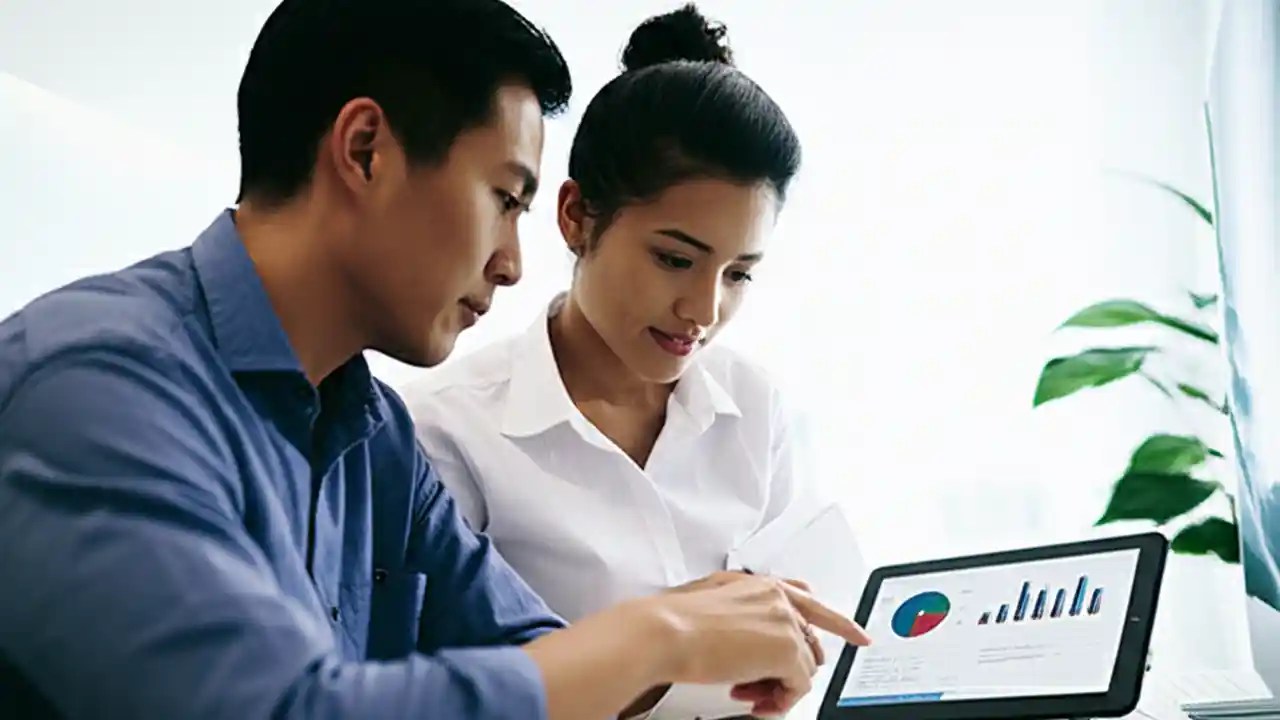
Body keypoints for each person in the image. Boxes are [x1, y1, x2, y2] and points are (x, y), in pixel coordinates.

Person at [0, 1, 872, 719]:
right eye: (504, 199)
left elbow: (527, 648)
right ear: (366, 151)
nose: (513, 262)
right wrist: (662, 633)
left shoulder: (369, 430)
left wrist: (698, 637)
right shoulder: (95, 387)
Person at [404, 5, 859, 718]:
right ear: (577, 216)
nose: (704, 311)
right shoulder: (448, 431)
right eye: (675, 259)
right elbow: (444, 695)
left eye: (739, 274)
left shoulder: (753, 406)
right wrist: (666, 645)